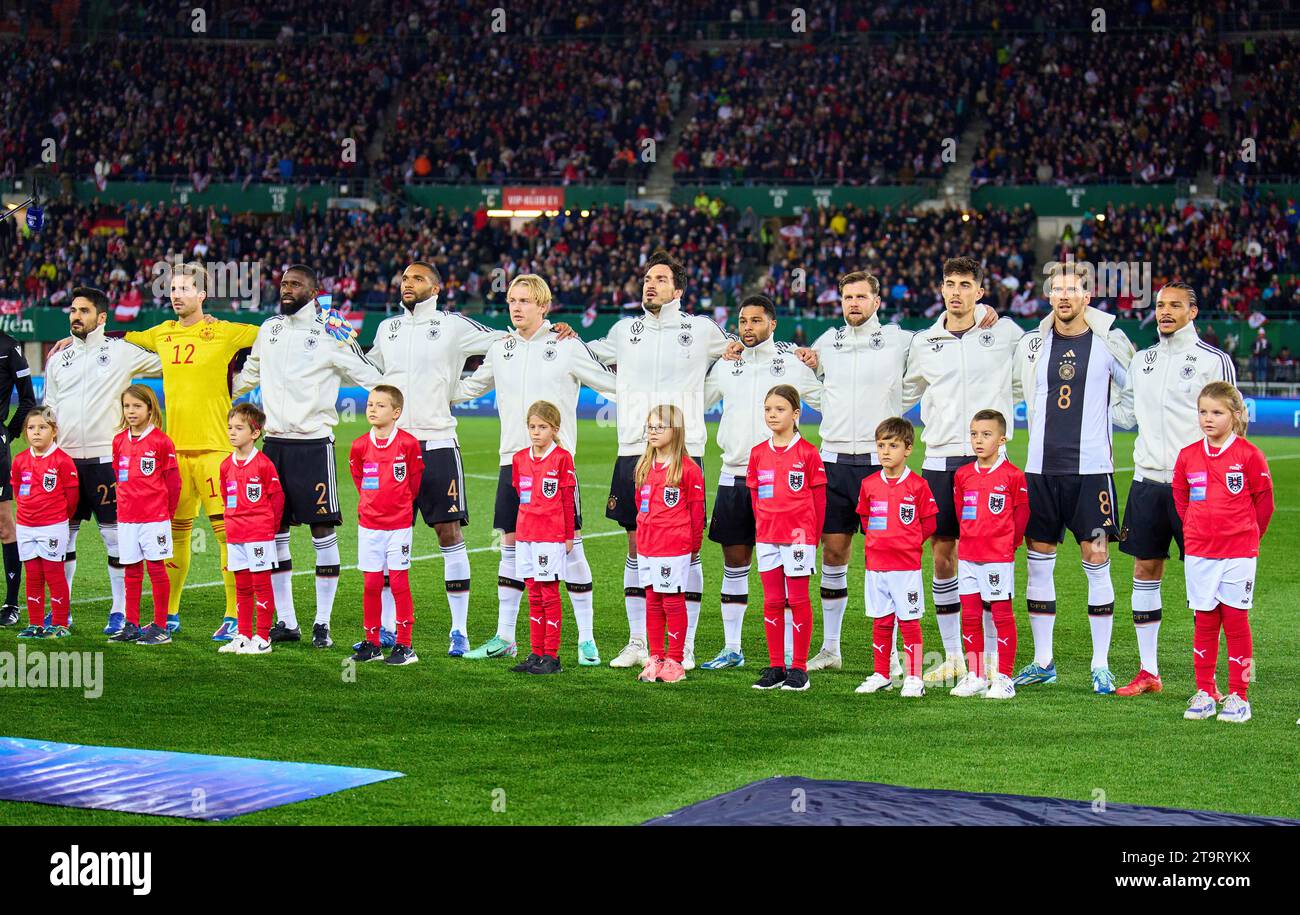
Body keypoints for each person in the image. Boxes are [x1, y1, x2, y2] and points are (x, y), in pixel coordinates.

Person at [367, 262, 576, 657]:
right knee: (392, 539)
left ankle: (459, 631)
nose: (407, 284)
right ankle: (391, 629)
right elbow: (372, 365)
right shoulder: (387, 329)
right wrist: (341, 343)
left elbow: (506, 339)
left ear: (436, 287)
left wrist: (552, 331)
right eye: (405, 278)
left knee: (449, 534)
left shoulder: (454, 325)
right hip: (394, 447)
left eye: (417, 279)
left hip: (439, 444)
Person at [46, 264, 263, 636]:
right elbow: (121, 338)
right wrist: (78, 339)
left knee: (228, 535)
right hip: (173, 454)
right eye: (172, 288)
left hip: (215, 450)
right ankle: (171, 614)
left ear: (202, 296)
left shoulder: (224, 331)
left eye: (184, 288)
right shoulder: (161, 334)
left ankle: (232, 616)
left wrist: (241, 381)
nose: (176, 294)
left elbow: (272, 337)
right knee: (175, 536)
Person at [452, 274, 615, 666]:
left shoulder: (567, 345)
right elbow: (469, 389)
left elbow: (610, 384)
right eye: (512, 299)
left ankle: (587, 639)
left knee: (571, 547)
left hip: (557, 468)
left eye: (525, 300)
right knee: (509, 548)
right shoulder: (501, 348)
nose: (517, 306)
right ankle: (505, 637)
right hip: (512, 463)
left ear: (544, 305)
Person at [586, 250, 730, 670]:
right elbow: (589, 352)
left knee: (688, 549)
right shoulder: (624, 330)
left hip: (685, 453)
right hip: (634, 450)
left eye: (661, 278)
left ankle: (682, 647)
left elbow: (739, 351)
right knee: (637, 546)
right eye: (648, 277)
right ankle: (638, 642)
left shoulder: (700, 330)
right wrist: (562, 335)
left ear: (678, 289)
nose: (651, 283)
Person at [233, 264, 382, 649]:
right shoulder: (270, 329)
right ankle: (287, 620)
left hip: (314, 445)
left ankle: (323, 623)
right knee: (275, 532)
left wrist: (395, 393)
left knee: (322, 532)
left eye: (295, 284)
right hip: (274, 446)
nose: (286, 289)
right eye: (283, 283)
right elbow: (248, 374)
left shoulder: (331, 330)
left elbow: (368, 373)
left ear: (313, 291)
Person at [1012, 262, 1134, 694]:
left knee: (1097, 563)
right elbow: (1008, 385)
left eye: (1073, 290)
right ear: (1049, 297)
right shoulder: (1033, 344)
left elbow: (1136, 389)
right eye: (1056, 289)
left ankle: (1100, 663)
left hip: (1091, 476)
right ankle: (1043, 661)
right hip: (1040, 474)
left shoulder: (1109, 343)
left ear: (1087, 297)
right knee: (1038, 564)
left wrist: (1108, 416)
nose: (1064, 296)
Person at [901, 257, 1024, 684]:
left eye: (965, 284)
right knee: (944, 554)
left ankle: (988, 657)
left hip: (988, 462)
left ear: (979, 292)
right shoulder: (924, 342)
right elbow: (904, 390)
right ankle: (954, 655)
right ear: (941, 289)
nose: (956, 291)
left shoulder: (1004, 332)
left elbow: (1031, 372)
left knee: (987, 554)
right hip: (940, 459)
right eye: (949, 283)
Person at [1110, 281, 1235, 696]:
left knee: (1204, 580)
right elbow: (1126, 414)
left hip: (1198, 487)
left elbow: (1237, 417)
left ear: (1192, 312)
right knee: (1144, 571)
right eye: (1161, 305)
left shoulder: (1212, 361)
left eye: (1174, 305)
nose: (1165, 311)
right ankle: (1149, 672)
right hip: (1147, 482)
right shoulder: (1143, 360)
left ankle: (1209, 680)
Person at [793, 271, 915, 674]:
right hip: (834, 463)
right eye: (848, 297)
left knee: (889, 560)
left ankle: (892, 653)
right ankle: (830, 648)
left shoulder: (900, 339)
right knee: (833, 552)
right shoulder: (828, 342)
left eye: (861, 296)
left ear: (877, 301)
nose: (854, 304)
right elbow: (809, 380)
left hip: (882, 467)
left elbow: (931, 359)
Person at [700, 294, 821, 671]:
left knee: (784, 569)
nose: (747, 327)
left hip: (783, 484)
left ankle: (787, 652)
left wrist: (817, 362)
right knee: (734, 563)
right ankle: (732, 647)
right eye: (742, 321)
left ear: (773, 324)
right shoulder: (726, 365)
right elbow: (697, 401)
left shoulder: (790, 364)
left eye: (755, 321)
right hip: (734, 475)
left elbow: (825, 399)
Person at [39, 286, 160, 636]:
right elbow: (50, 406)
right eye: (73, 310)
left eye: (84, 311)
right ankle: (61, 611)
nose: (76, 316)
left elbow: (169, 357)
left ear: (102, 318)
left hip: (108, 462)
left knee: (115, 540)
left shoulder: (122, 352)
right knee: (62, 539)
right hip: (65, 463)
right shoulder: (57, 358)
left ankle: (119, 611)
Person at [1174, 382, 1273, 724]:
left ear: (1234, 415)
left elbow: (1265, 502)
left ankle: (1240, 696)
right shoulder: (1188, 455)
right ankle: (1205, 692)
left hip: (1238, 554)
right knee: (1204, 620)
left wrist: (1247, 537)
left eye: (1216, 412)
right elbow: (1181, 498)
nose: (1208, 418)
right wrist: (1195, 529)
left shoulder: (1249, 455)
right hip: (1201, 551)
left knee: (1235, 621)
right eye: (1203, 411)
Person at [747, 385, 826, 692]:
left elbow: (819, 499)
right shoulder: (757, 453)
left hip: (798, 539)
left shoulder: (807, 453)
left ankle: (799, 669)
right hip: (766, 538)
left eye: (779, 410)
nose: (772, 415)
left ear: (795, 414)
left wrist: (812, 538)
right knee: (772, 601)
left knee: (797, 599)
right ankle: (776, 666)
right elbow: (755, 497)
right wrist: (762, 527)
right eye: (768, 409)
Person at [853, 417, 937, 697]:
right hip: (875, 565)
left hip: (906, 567)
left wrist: (908, 543)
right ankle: (882, 673)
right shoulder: (868, 485)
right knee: (881, 620)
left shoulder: (917, 486)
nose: (886, 451)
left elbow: (929, 523)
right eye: (881, 445)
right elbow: (865, 518)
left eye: (893, 445)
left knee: (909, 621)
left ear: (908, 449)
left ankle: (914, 678)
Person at [950, 410, 1030, 699]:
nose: (979, 440)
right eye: (974, 434)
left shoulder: (1012, 475)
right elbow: (961, 512)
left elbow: (1022, 513)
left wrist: (1011, 544)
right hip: (969, 556)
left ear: (1002, 438)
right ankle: (976, 675)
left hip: (998, 557)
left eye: (986, 434)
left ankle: (1004, 677)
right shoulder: (963, 475)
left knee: (1001, 615)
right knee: (970, 615)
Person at [348, 385, 425, 666]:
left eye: (380, 405)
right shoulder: (359, 445)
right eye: (370, 404)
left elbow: (414, 482)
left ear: (396, 413)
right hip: (369, 524)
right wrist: (373, 503)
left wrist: (400, 504)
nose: (372, 409)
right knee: (370, 584)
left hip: (399, 525)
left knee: (399, 582)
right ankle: (372, 643)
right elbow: (358, 477)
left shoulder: (408, 444)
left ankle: (405, 646)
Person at [630, 404, 705, 685]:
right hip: (647, 546)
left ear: (676, 431)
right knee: (652, 601)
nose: (653, 432)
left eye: (660, 427)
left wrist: (693, 543)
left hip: (673, 545)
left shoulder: (688, 469)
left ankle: (676, 661)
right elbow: (641, 506)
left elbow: (697, 513)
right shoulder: (644, 466)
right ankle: (656, 659)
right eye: (650, 427)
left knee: (672, 602)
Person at [507, 400, 577, 676]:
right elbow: (520, 497)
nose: (536, 432)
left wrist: (568, 534)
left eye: (542, 427)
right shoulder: (520, 459)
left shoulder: (562, 458)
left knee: (549, 594)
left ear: (555, 429)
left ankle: (552, 655)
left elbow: (567, 500)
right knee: (533, 593)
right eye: (532, 427)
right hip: (526, 535)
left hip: (550, 535)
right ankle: (536, 653)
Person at [109, 385, 180, 645]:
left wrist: (166, 514)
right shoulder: (118, 440)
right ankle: (132, 624)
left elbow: (174, 483)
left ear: (150, 409)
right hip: (127, 517)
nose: (131, 411)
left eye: (137, 406)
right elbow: (119, 476)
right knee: (132, 571)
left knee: (156, 570)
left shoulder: (162, 441)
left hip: (154, 518)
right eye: (127, 406)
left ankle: (161, 626)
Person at [218, 403, 284, 655]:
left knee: (261, 584)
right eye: (230, 428)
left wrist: (268, 528)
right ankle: (243, 635)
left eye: (239, 428)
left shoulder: (264, 465)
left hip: (258, 535)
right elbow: (226, 496)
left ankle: (263, 637)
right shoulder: (225, 465)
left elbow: (276, 498)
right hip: (236, 534)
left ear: (255, 433)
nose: (232, 433)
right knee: (242, 586)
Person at [10, 407, 78, 640]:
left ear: (54, 431)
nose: (36, 432)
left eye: (42, 427)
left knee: (53, 573)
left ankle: (60, 623)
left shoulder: (63, 461)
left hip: (52, 526)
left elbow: (72, 499)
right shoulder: (20, 460)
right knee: (32, 575)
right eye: (31, 428)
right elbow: (18, 490)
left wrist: (55, 517)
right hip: (26, 526)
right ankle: (35, 624)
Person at [0, 321, 37, 627]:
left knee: (4, 525)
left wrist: (8, 434)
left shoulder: (9, 348)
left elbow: (28, 399)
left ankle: (11, 604)